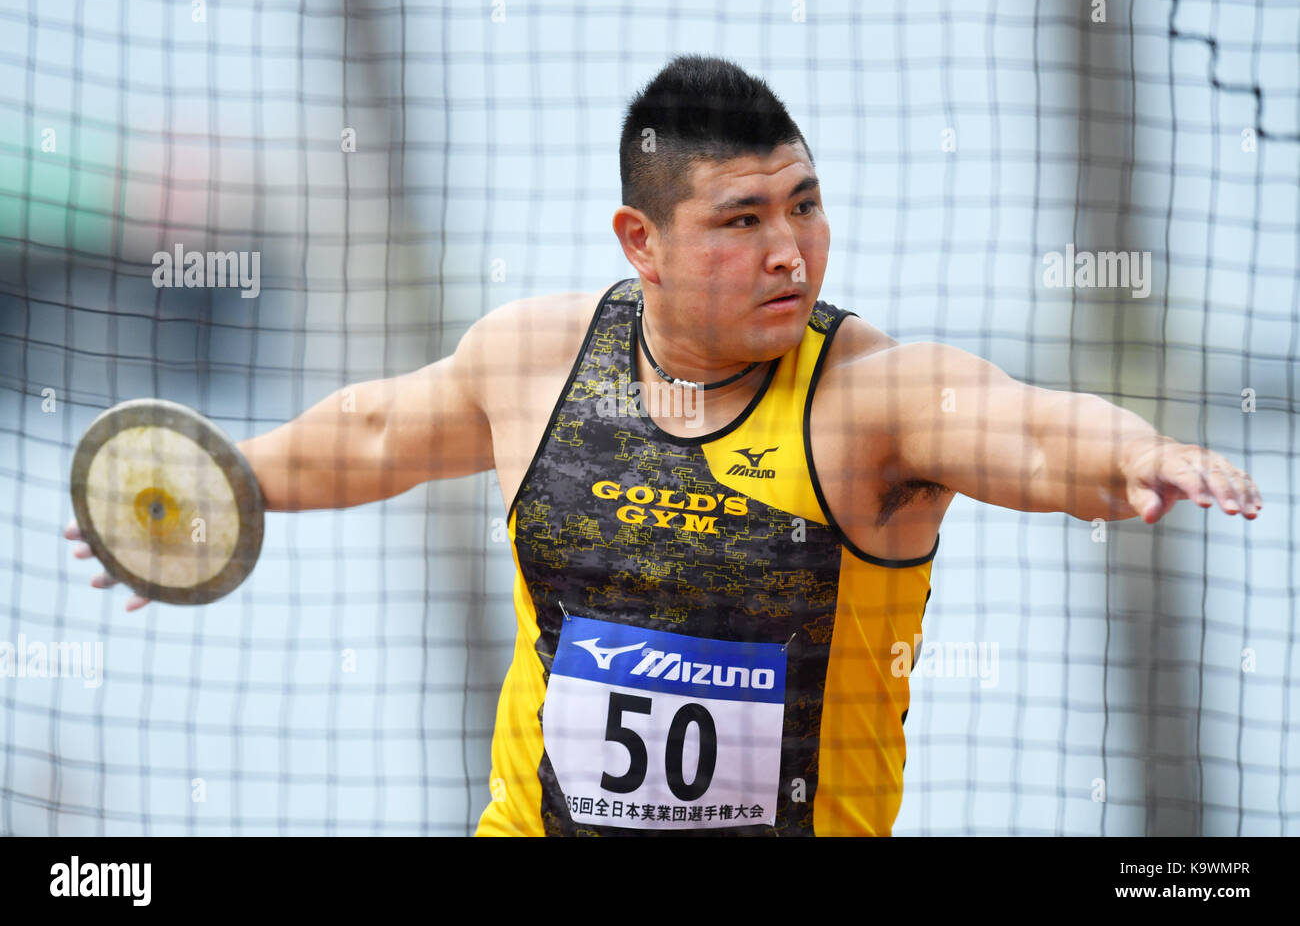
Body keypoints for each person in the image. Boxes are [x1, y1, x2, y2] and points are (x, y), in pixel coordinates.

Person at [66, 54, 1262, 836]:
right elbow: (371, 430)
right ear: (641, 238)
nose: (791, 248)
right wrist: (211, 487)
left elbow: (1029, 424)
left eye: (803, 202)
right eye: (741, 220)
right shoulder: (535, 360)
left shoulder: (870, 399)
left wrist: (1136, 453)